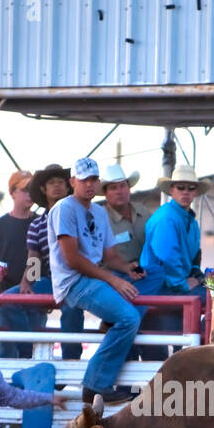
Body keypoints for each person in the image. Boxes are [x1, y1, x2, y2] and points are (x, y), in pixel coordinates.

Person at [49, 157, 147, 404]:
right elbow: (71, 259)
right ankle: (95, 385)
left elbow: (110, 256)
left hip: (92, 279)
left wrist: (128, 268)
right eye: (85, 180)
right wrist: (113, 280)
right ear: (73, 181)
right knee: (128, 318)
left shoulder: (99, 211)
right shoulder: (65, 208)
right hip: (73, 282)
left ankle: (108, 329)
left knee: (145, 286)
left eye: (94, 179)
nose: (90, 185)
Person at [5, 164, 84, 360]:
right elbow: (35, 258)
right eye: (51, 183)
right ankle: (27, 352)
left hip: (79, 279)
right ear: (43, 189)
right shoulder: (37, 224)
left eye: (61, 182)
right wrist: (27, 282)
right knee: (8, 300)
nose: (57, 186)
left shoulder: (80, 215)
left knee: (72, 308)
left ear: (68, 187)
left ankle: (70, 360)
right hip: (52, 281)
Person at [138, 165, 210, 359]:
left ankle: (192, 356)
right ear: (171, 190)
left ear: (195, 191)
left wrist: (195, 274)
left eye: (190, 188)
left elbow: (191, 256)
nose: (186, 192)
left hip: (171, 283)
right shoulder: (167, 218)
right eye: (180, 187)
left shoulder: (188, 220)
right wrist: (183, 283)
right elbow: (168, 256)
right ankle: (199, 355)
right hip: (161, 285)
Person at [0, 170, 37, 358]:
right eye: (26, 189)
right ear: (12, 193)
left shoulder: (42, 222)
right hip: (5, 295)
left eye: (33, 189)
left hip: (34, 297)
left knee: (34, 352)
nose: (30, 194)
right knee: (6, 351)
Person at [99, 164, 150, 267]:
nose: (119, 191)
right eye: (113, 188)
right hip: (117, 275)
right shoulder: (100, 219)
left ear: (129, 188)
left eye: (123, 186)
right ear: (105, 193)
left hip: (149, 269)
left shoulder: (143, 211)